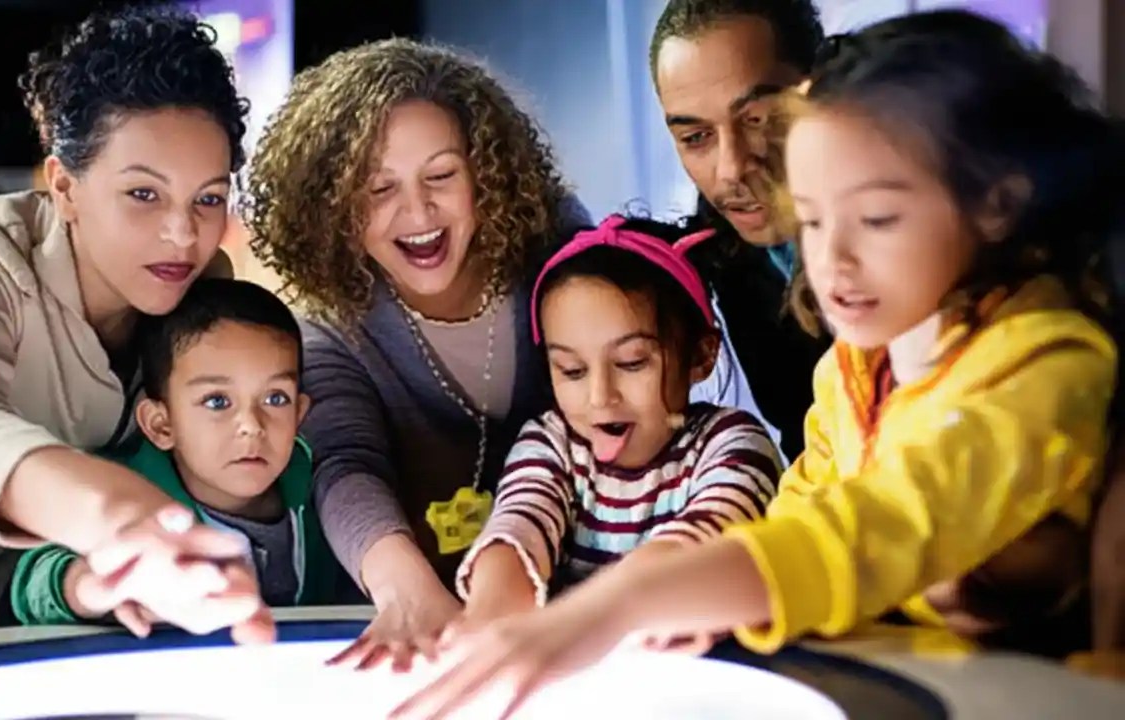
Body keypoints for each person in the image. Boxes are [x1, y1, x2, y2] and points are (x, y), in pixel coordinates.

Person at [390, 11, 1123, 717]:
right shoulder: (852, 371)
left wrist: (629, 599)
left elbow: (876, 524)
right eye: (811, 218)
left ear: (997, 202)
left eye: (875, 219)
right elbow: (796, 514)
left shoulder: (1046, 361)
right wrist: (704, 603)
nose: (829, 260)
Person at [0, 7, 272, 645]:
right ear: (64, 186)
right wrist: (120, 515)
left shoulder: (201, 284)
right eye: (144, 194)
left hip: (25, 598)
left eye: (207, 198)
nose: (183, 234)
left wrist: (110, 573)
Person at [243, 38, 587, 670]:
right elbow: (344, 466)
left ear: (485, 175)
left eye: (441, 175)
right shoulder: (327, 322)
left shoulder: (559, 246)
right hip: (415, 631)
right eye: (379, 189)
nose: (418, 211)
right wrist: (407, 589)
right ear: (334, 207)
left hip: (571, 617)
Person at [448, 215, 780, 644]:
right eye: (572, 370)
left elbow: (704, 542)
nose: (600, 396)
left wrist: (598, 617)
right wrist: (486, 619)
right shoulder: (551, 443)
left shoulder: (733, 443)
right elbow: (518, 527)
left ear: (701, 355)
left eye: (631, 363)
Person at [10, 279, 343, 631]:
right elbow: (33, 583)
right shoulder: (125, 495)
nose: (251, 425)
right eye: (217, 401)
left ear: (300, 414)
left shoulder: (321, 489)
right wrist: (95, 584)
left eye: (276, 398)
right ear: (161, 425)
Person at [650, 0, 831, 459]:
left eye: (759, 120)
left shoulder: (922, 222)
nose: (731, 168)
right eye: (696, 138)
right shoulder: (719, 247)